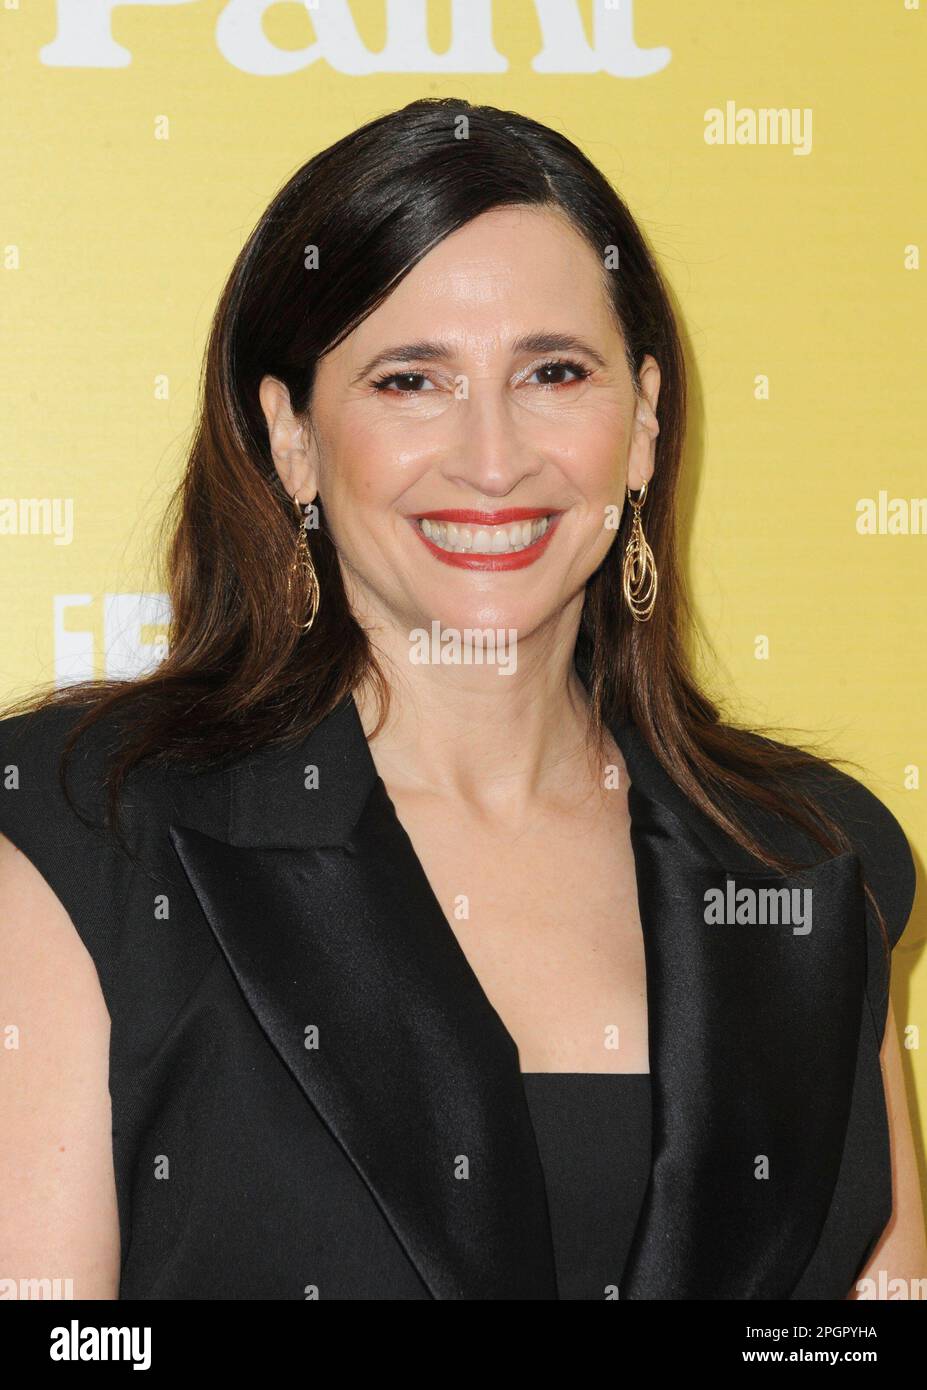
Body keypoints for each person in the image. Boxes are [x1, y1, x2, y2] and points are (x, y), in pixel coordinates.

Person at [0, 98, 924, 1301]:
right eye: (409, 381)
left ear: (642, 422)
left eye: (553, 371)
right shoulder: (88, 829)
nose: (494, 459)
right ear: (290, 438)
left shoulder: (806, 854)